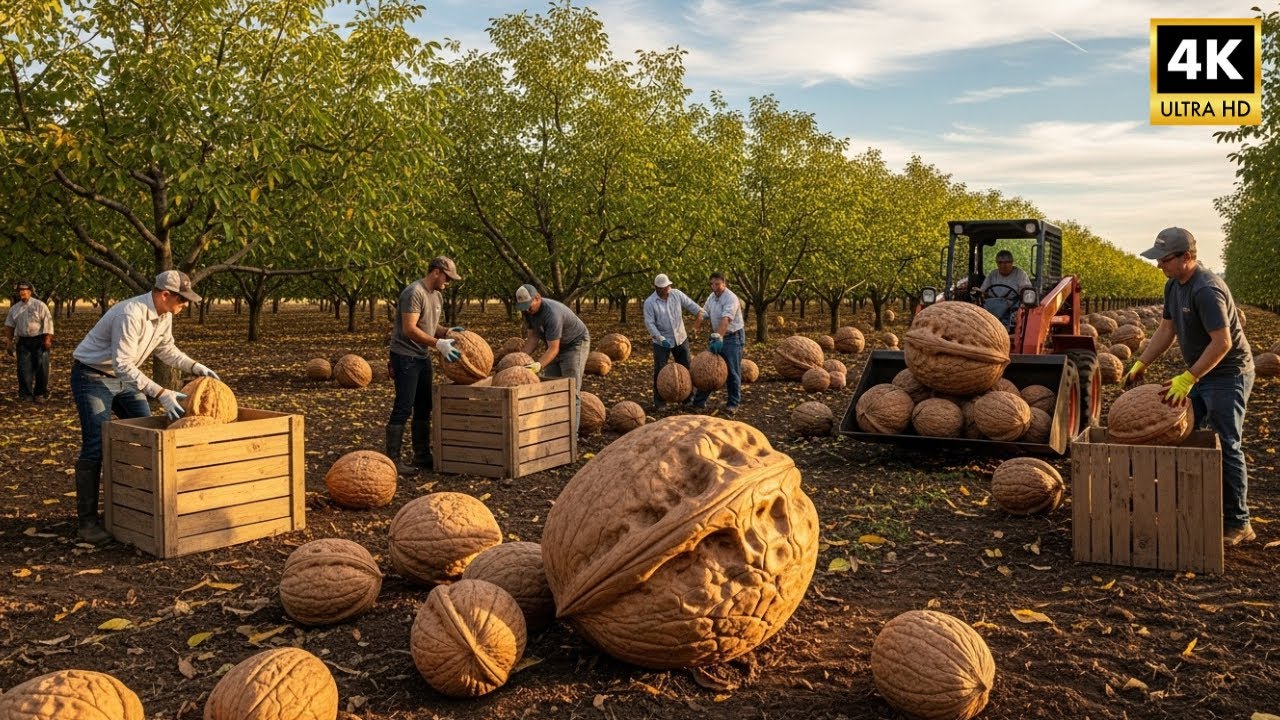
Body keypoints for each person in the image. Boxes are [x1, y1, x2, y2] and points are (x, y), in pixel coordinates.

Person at [1124, 227, 1255, 546]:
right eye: (1158, 259)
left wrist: (1188, 378)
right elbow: (1166, 330)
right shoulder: (1173, 285)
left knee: (1227, 443)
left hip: (1229, 374)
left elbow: (1222, 343)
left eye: (1164, 259)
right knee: (1179, 430)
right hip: (1202, 372)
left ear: (1186, 256)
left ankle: (1239, 522)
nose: (1159, 265)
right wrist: (1142, 362)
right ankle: (1194, 506)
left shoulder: (1206, 289)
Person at [71, 270, 219, 543]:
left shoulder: (164, 315)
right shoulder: (131, 314)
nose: (185, 305)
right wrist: (160, 392)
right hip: (93, 377)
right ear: (165, 295)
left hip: (125, 379)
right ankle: (87, 522)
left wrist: (195, 366)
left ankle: (138, 506)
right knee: (95, 443)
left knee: (148, 436)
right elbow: (122, 364)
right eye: (182, 299)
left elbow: (167, 349)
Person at [386, 256, 464, 475]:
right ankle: (393, 459)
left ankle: (421, 454)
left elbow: (429, 325)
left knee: (424, 405)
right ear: (436, 272)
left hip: (422, 356)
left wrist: (446, 332)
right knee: (404, 405)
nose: (448, 283)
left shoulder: (436, 296)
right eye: (447, 278)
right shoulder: (414, 292)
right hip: (405, 356)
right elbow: (410, 328)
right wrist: (437, 344)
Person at [515, 283, 590, 432]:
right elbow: (533, 337)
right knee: (550, 386)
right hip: (555, 345)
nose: (527, 310)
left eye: (528, 306)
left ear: (537, 297)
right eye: (523, 307)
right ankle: (553, 430)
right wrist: (519, 358)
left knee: (571, 389)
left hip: (574, 344)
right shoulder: (528, 312)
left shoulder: (552, 313)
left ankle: (571, 437)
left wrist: (538, 365)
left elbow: (554, 348)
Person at [642, 273, 704, 409]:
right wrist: (659, 337)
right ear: (656, 288)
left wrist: (698, 320)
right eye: (661, 288)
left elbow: (694, 307)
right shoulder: (650, 302)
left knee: (686, 367)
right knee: (660, 370)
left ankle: (687, 399)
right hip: (661, 341)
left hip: (680, 337)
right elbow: (649, 323)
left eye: (666, 287)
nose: (665, 290)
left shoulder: (676, 294)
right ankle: (660, 402)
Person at [690, 271, 745, 416]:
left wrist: (718, 337)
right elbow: (703, 312)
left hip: (733, 337)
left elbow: (726, 319)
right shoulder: (712, 297)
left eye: (717, 284)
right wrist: (696, 327)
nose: (714, 287)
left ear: (724, 284)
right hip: (718, 336)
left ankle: (733, 404)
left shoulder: (731, 298)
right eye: (712, 284)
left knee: (732, 372)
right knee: (707, 368)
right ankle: (699, 402)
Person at [5, 280, 54, 403]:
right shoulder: (14, 309)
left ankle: (40, 393)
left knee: (42, 368)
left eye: (25, 290)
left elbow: (48, 322)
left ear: (30, 291)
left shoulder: (39, 305)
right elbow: (9, 325)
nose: (22, 292)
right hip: (23, 342)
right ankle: (26, 394)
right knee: (23, 369)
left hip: (39, 340)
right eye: (20, 290)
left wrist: (47, 339)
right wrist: (9, 342)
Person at [978, 249, 1032, 329]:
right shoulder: (993, 274)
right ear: (997, 263)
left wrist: (1023, 300)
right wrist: (979, 293)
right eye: (1000, 262)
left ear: (1012, 262)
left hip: (1013, 306)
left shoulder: (1020, 274)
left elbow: (1027, 292)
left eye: (1007, 262)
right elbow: (983, 290)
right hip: (993, 305)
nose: (1004, 265)